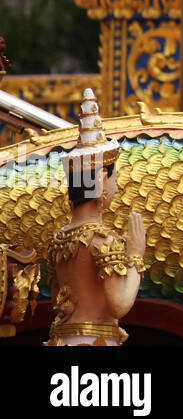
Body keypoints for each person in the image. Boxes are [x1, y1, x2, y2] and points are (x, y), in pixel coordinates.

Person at [45, 88, 144, 346]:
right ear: (101, 179)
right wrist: (136, 257)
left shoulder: (58, 240)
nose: (117, 187)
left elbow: (58, 301)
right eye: (114, 179)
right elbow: (119, 304)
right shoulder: (103, 240)